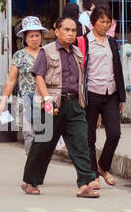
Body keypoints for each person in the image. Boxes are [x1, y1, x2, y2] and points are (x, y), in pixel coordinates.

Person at [20, 14, 99, 197]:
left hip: (74, 104)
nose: (71, 34)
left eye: (73, 31)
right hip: (52, 103)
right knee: (43, 144)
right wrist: (47, 100)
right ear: (57, 31)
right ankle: (30, 181)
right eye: (66, 30)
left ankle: (85, 183)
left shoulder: (77, 53)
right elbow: (38, 76)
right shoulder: (46, 51)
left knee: (81, 143)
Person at [83, 1, 125, 189]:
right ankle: (93, 175)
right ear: (93, 23)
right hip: (91, 92)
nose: (105, 25)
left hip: (110, 93)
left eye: (108, 22)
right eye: (102, 22)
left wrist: (121, 97)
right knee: (89, 136)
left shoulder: (112, 42)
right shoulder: (84, 42)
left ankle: (103, 166)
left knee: (114, 133)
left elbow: (118, 69)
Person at [0, 16, 49, 155]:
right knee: (29, 134)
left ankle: (39, 165)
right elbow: (11, 80)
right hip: (26, 101)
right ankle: (32, 166)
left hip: (45, 101)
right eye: (31, 35)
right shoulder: (19, 56)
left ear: (41, 36)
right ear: (25, 38)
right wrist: (3, 101)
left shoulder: (47, 54)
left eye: (37, 35)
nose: (34, 38)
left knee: (45, 135)